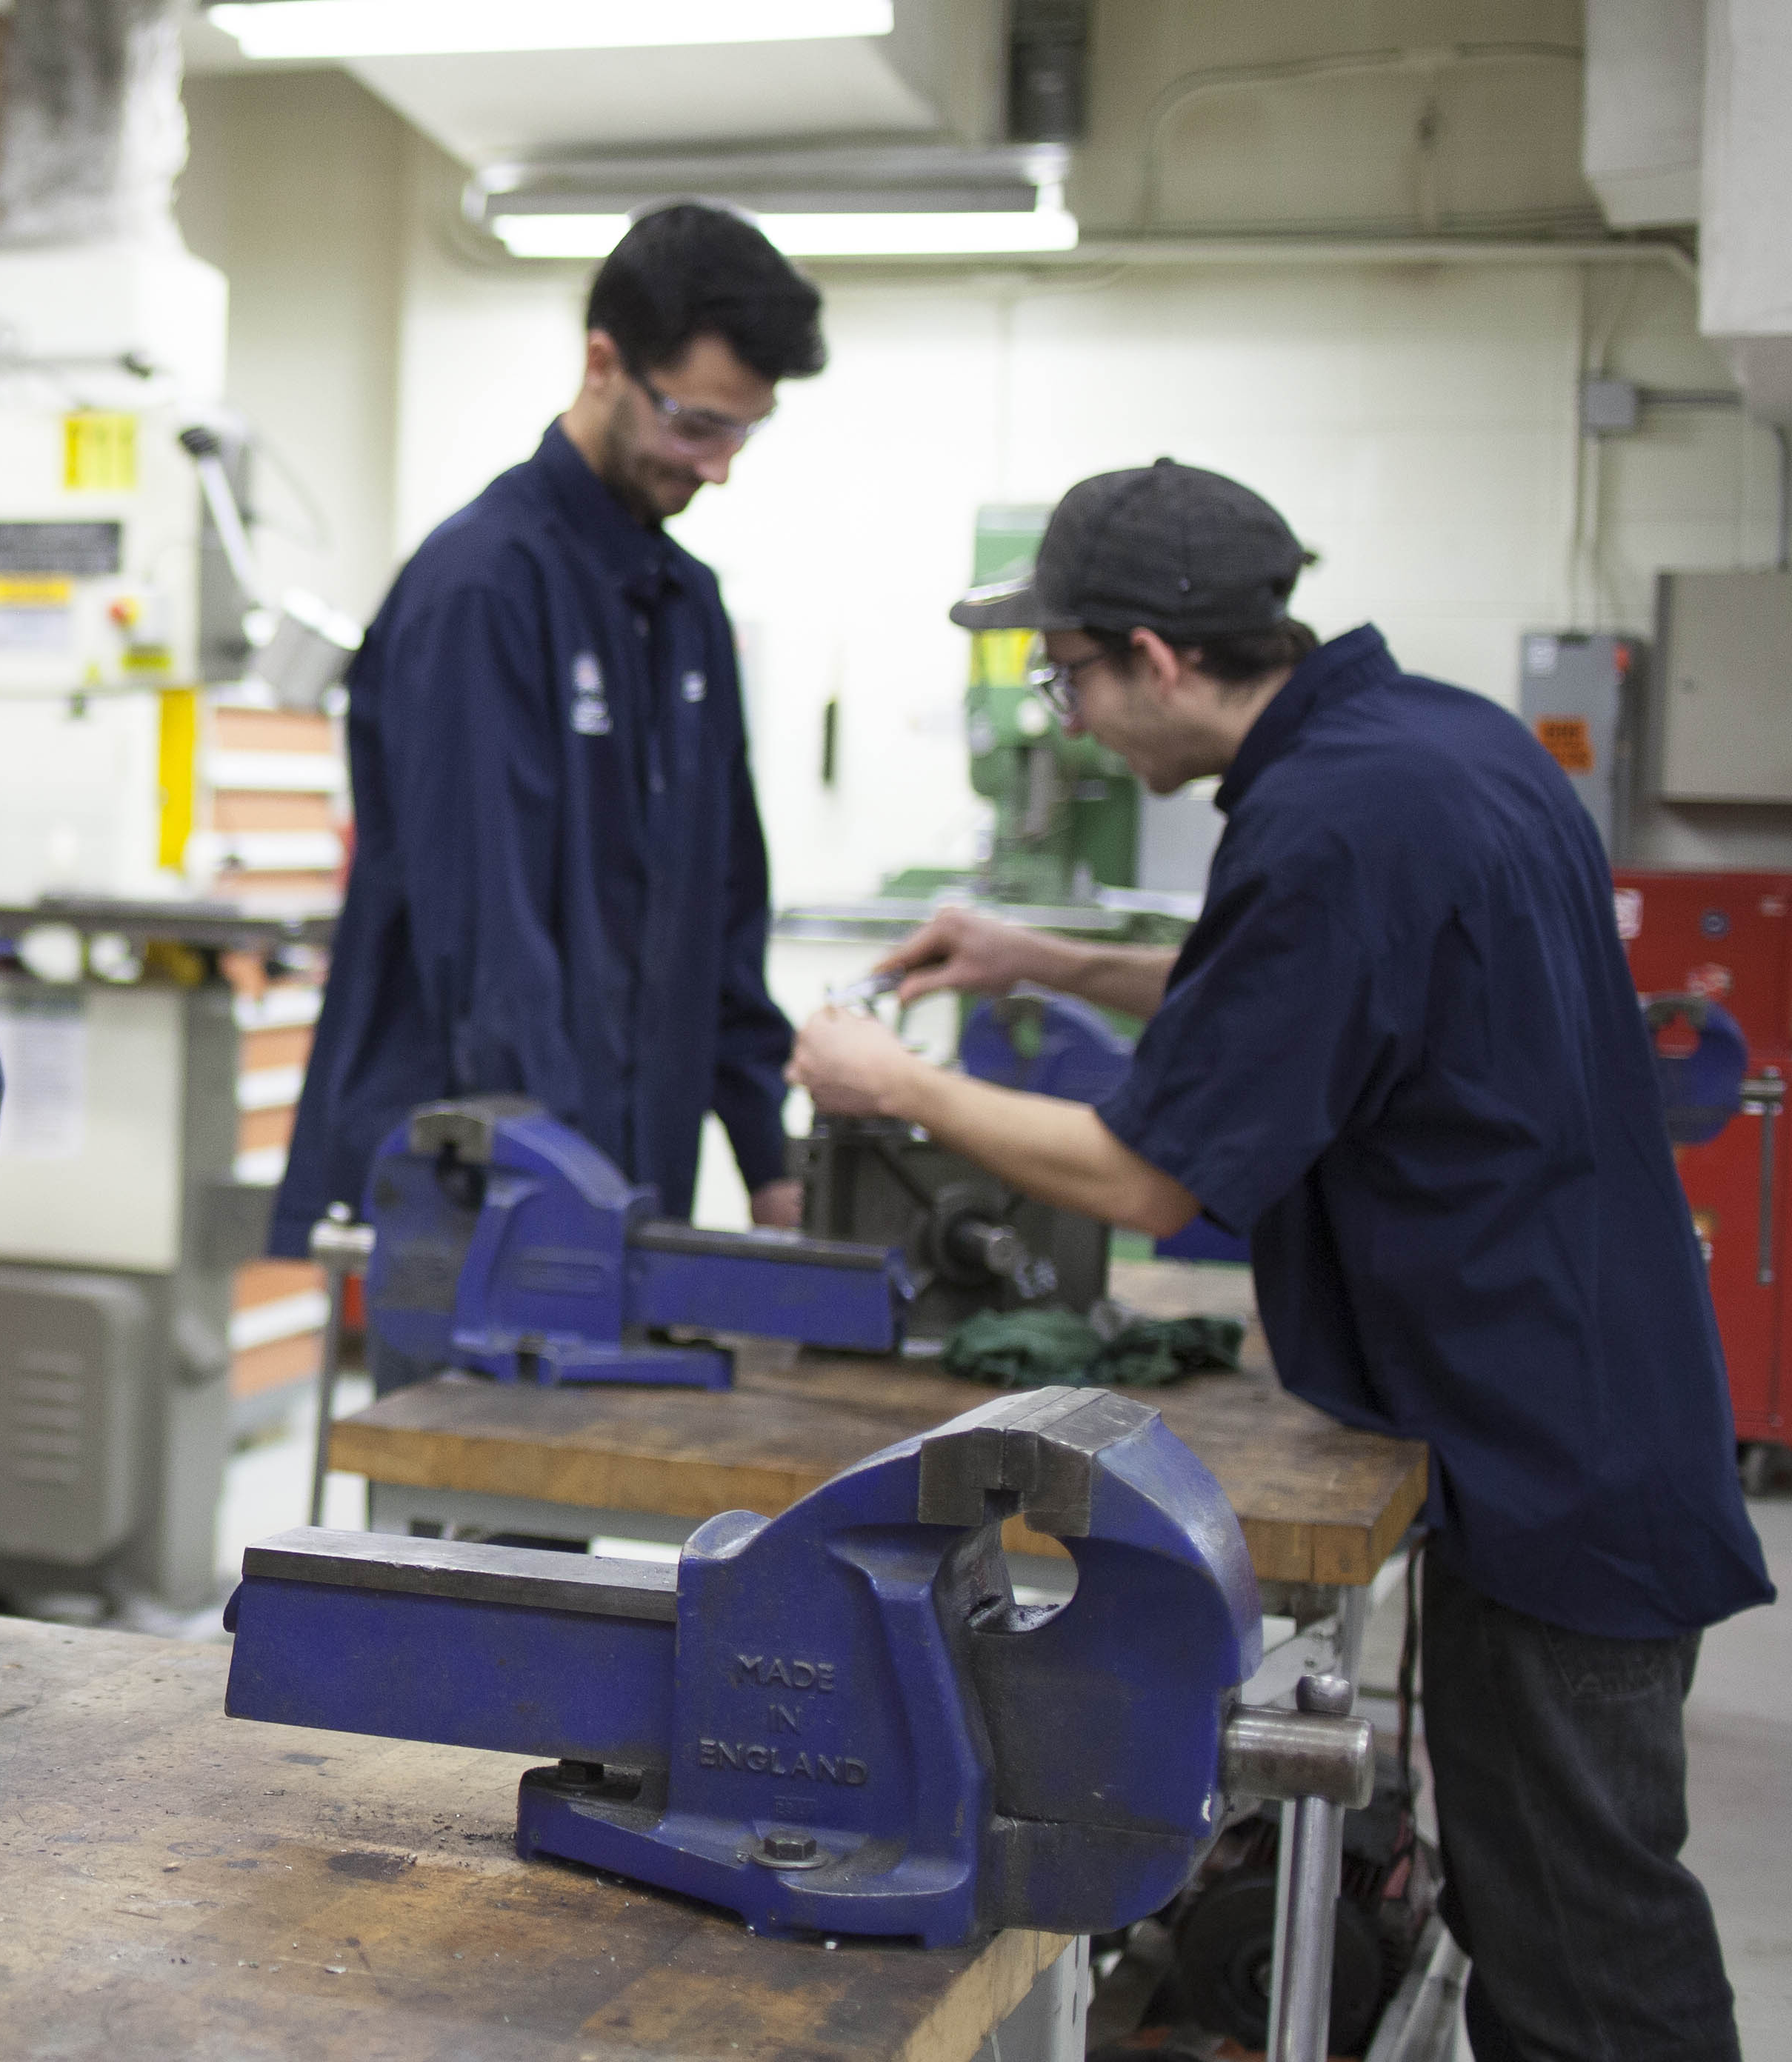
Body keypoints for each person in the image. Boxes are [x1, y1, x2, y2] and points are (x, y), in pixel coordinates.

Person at [788, 459, 1772, 2061]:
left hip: (1554, 1458)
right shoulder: (1437, 744)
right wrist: (1043, 959)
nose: (1074, 714)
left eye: (1071, 673)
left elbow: (1147, 1179)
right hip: (1576, 1399)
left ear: (1158, 660)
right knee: (1553, 1914)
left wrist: (891, 1084)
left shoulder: (1333, 818)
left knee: (1587, 1950)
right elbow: (1294, 985)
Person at [272, 203, 825, 1315]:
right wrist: (572, 1205)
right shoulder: (481, 588)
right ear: (603, 362)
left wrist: (769, 1155)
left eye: (741, 435)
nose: (716, 469)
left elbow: (724, 909)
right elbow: (490, 950)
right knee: (470, 1488)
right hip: (485, 1194)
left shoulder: (688, 609)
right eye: (694, 423)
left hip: (623, 1195)